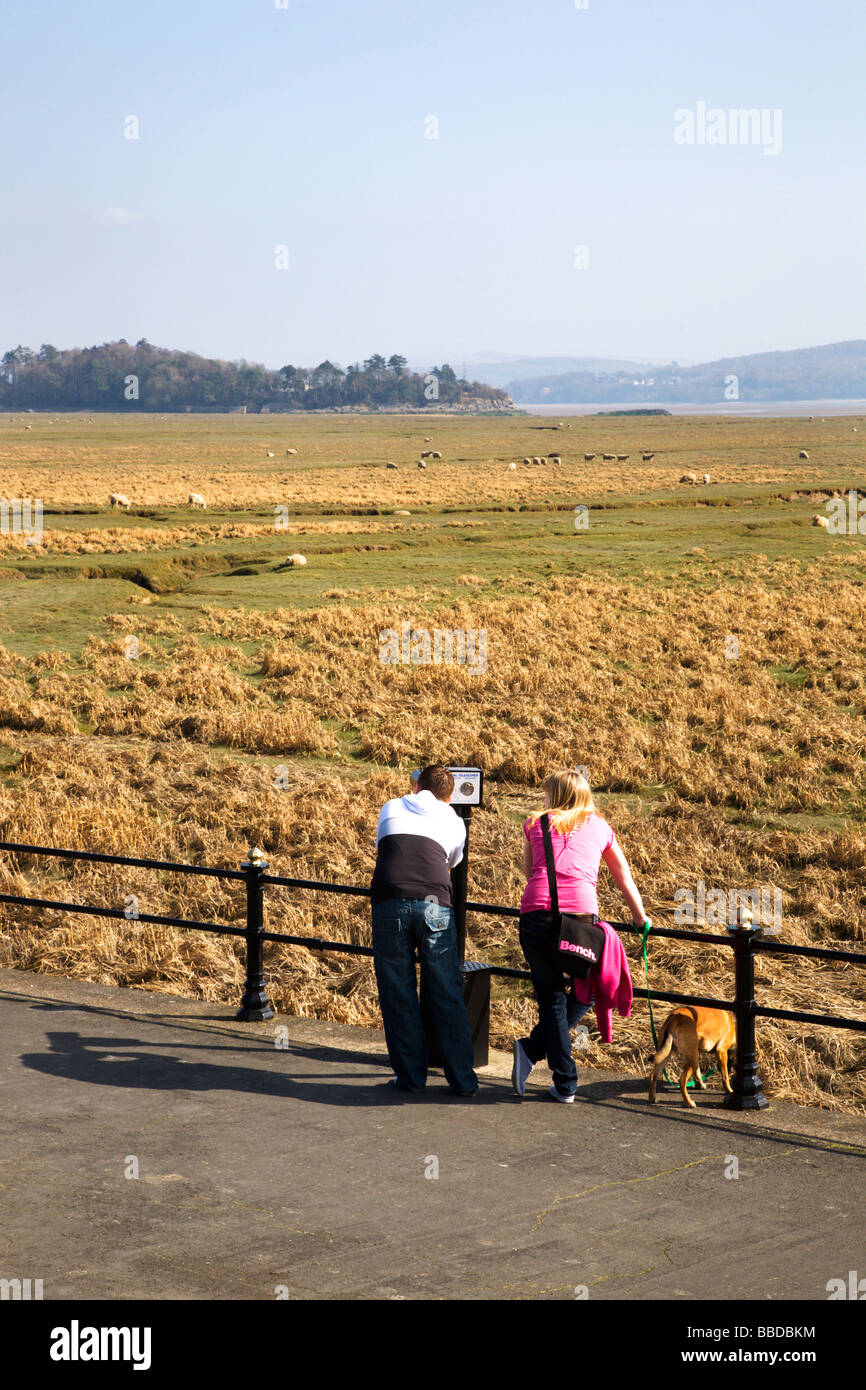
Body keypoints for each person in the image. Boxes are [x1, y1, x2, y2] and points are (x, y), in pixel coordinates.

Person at [513, 769, 648, 1102]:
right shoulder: (600, 826)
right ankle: (561, 1078)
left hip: (537, 916)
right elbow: (623, 876)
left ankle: (536, 1054)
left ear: (554, 795)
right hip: (581, 923)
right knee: (585, 992)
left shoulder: (534, 823)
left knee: (553, 997)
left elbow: (530, 871)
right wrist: (639, 915)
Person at [370, 765, 478, 1096]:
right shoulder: (454, 820)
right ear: (450, 795)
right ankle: (463, 1081)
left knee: (398, 993)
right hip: (435, 906)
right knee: (445, 989)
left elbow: (382, 846)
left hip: (390, 901)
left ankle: (411, 1079)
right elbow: (452, 861)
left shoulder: (391, 806)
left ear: (417, 787)